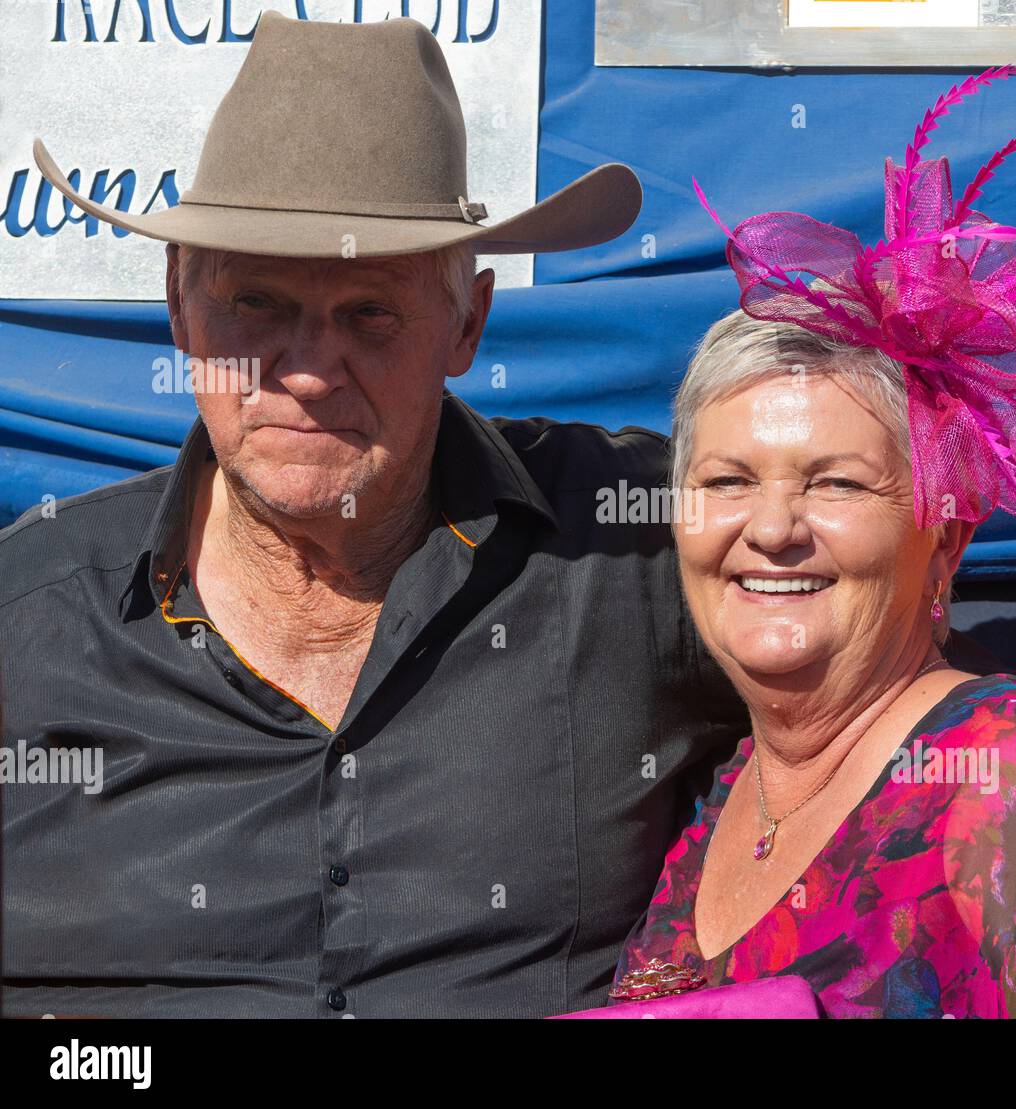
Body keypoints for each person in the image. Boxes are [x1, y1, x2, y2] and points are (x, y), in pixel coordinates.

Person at [0, 12, 757, 1018]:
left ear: (468, 323)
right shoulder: (27, 617)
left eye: (369, 313)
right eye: (255, 304)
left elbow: (868, 626)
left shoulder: (630, 545)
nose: (308, 370)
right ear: (180, 308)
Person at [611, 66, 1016, 1017]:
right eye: (726, 482)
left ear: (947, 534)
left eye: (834, 482)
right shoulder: (725, 796)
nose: (769, 530)